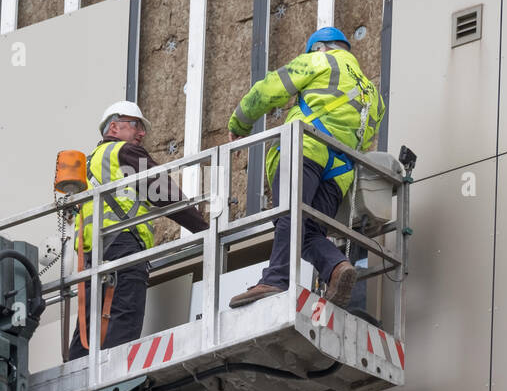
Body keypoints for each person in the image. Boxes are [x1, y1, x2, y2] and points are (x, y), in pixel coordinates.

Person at [227, 26, 385, 309]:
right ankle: (337, 267)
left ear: (319, 47)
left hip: (306, 149)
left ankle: (276, 278)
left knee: (289, 214)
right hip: (340, 170)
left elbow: (271, 88)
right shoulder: (373, 94)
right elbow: (366, 142)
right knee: (309, 230)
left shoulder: (320, 60)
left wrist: (239, 122)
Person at [69, 101, 208, 359]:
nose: (142, 134)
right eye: (136, 126)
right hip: (122, 248)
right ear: (114, 126)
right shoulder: (124, 152)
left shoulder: (88, 166)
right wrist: (203, 228)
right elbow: (163, 191)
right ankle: (116, 375)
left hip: (90, 259)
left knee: (88, 322)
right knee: (124, 313)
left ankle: (76, 379)